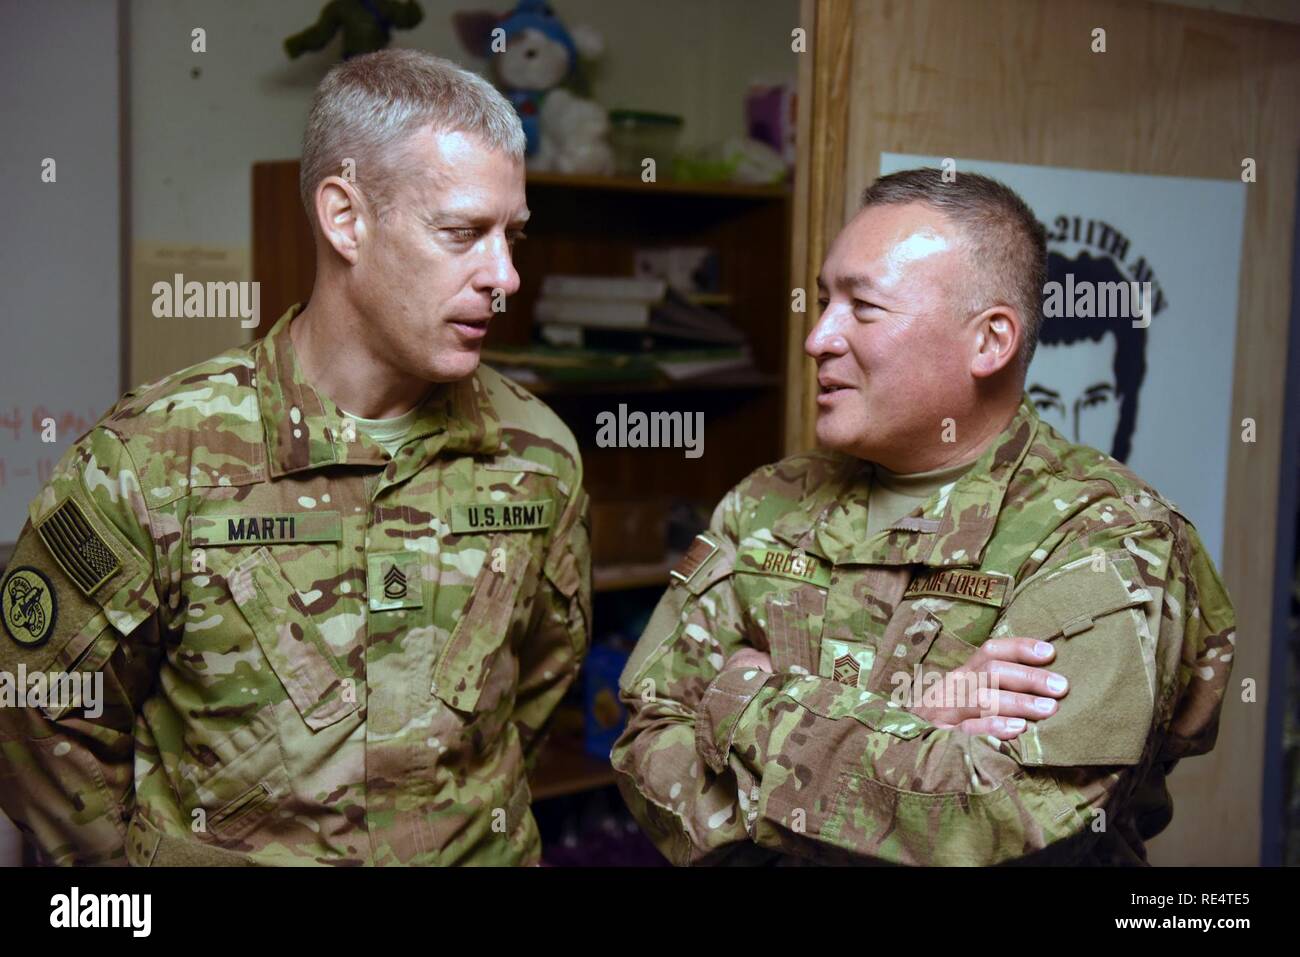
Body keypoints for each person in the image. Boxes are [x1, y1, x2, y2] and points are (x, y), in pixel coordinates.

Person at [0, 50, 590, 866]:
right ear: (346, 218)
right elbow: (39, 715)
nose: (505, 276)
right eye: (463, 233)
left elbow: (533, 699)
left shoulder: (537, 456)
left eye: (511, 235)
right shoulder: (153, 460)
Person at [612, 168, 1234, 865]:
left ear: (990, 341)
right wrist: (911, 720)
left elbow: (1007, 819)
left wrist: (743, 697)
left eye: (863, 308)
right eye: (822, 301)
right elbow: (647, 737)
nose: (818, 337)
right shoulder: (767, 501)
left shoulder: (1104, 535)